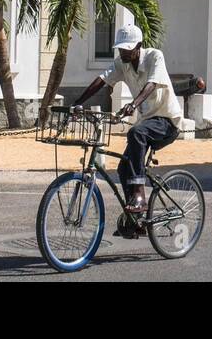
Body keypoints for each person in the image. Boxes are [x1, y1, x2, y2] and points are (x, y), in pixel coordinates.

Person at [74, 24, 181, 215]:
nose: (123, 52)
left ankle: (139, 194)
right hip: (146, 122)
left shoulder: (154, 56)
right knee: (124, 167)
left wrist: (132, 104)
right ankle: (134, 214)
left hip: (166, 121)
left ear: (138, 46)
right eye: (121, 48)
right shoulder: (121, 63)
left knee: (136, 132)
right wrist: (77, 102)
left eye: (128, 49)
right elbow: (101, 79)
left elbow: (152, 84)